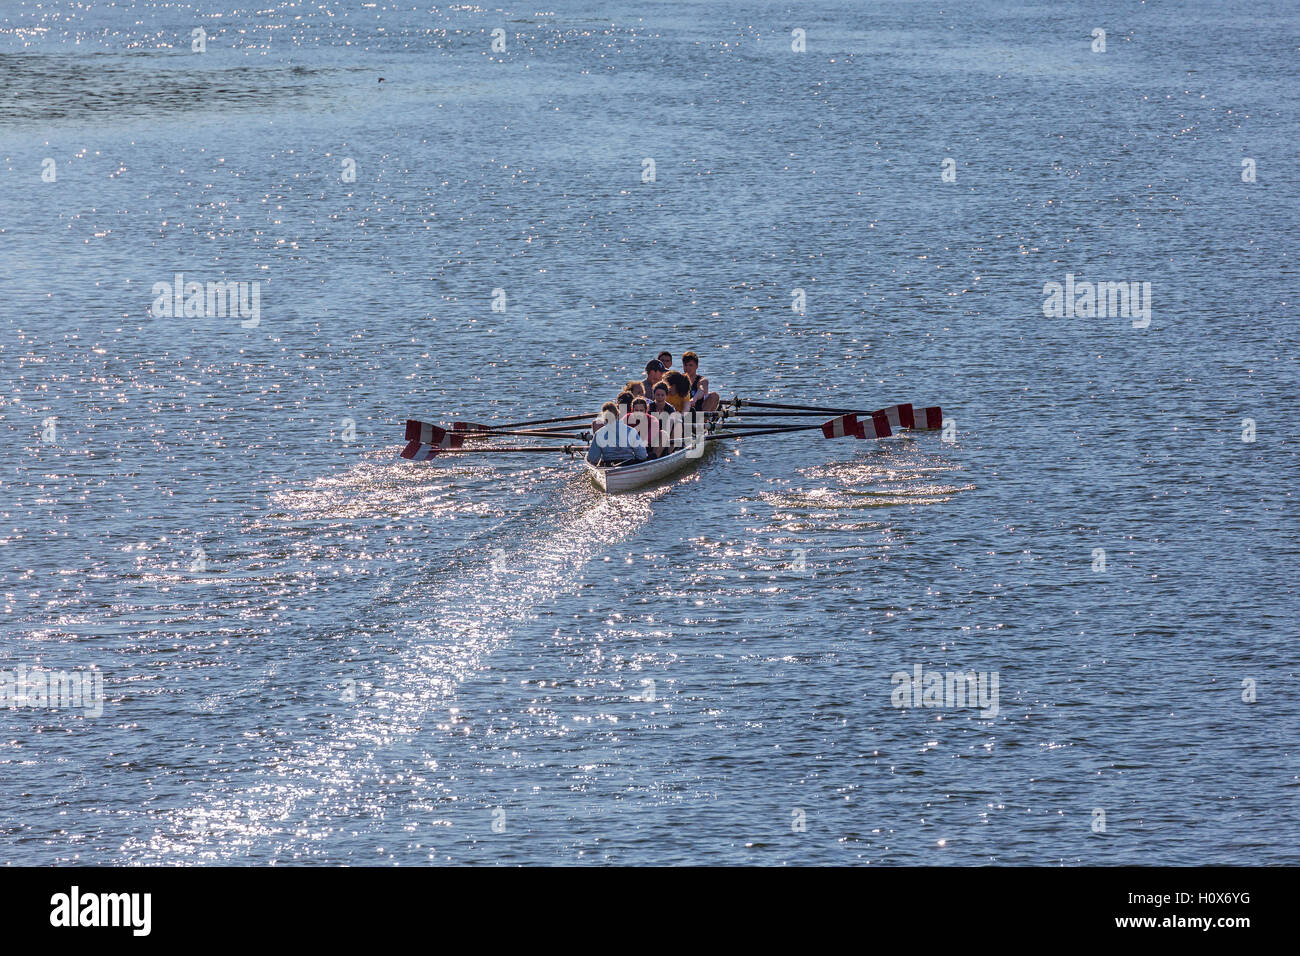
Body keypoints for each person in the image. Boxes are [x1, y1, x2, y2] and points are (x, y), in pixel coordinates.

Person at [588, 401, 648, 466]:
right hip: (628, 465)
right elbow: (642, 455)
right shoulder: (631, 431)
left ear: (603, 417)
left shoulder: (599, 433)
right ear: (617, 414)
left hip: (608, 466)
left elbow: (593, 458)